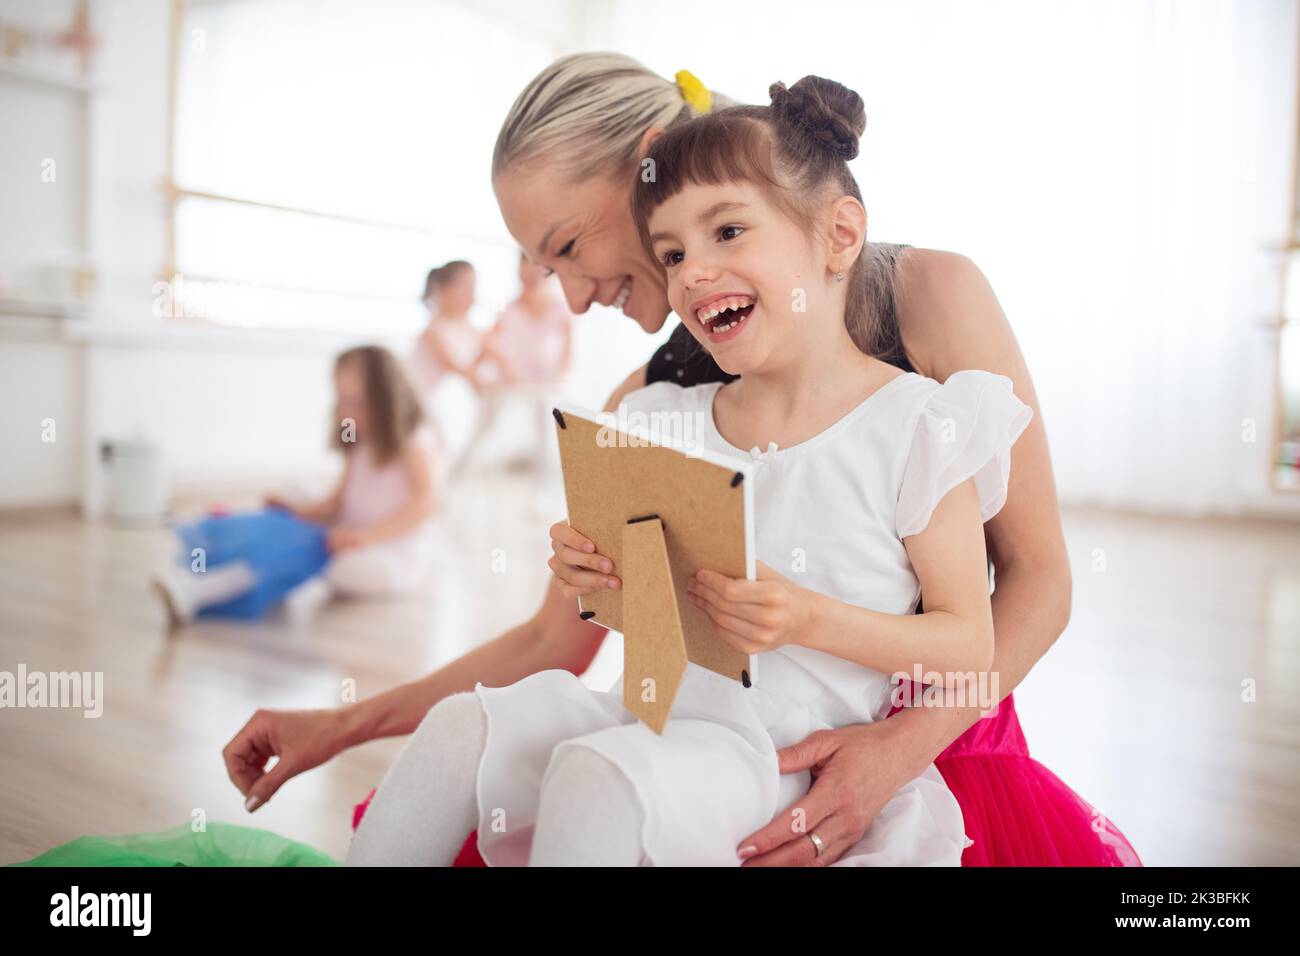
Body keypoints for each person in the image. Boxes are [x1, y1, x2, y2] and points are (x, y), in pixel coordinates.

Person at [226, 53, 1138, 866]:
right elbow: (559, 639)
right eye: (546, 272)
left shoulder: (929, 308)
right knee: (547, 761)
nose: (574, 298)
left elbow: (1038, 582)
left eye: (569, 248)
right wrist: (341, 724)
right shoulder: (656, 401)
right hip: (694, 742)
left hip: (930, 741)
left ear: (653, 161)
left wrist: (894, 754)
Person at [154, 345, 440, 624]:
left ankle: (199, 590)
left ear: (387, 399)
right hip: (351, 535)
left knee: (323, 553)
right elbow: (337, 503)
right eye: (341, 402)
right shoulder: (357, 439)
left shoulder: (413, 439)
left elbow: (426, 501)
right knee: (297, 505)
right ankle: (210, 567)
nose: (346, 414)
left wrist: (368, 537)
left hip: (392, 556)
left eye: (357, 402)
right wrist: (294, 512)